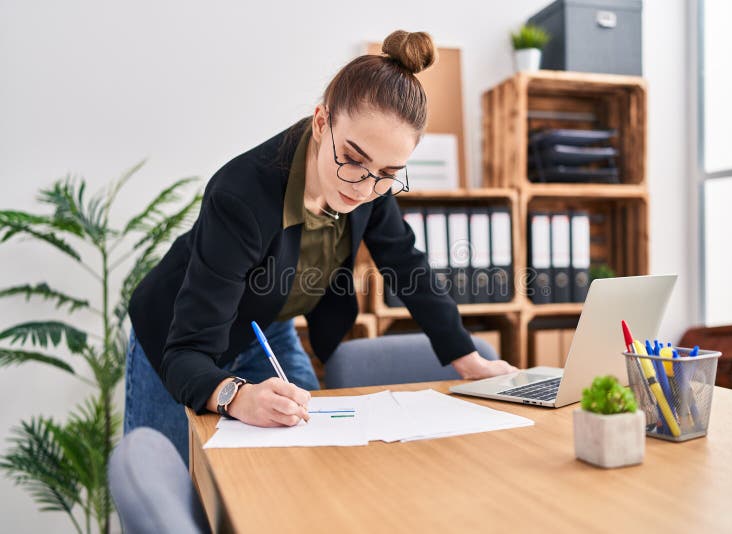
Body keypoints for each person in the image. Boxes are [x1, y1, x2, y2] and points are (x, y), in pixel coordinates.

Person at [125, 30, 517, 464]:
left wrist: (467, 358)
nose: (366, 186)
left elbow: (407, 266)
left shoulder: (371, 183)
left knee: (313, 455)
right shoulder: (239, 195)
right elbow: (187, 352)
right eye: (353, 159)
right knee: (174, 477)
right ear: (320, 122)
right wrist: (235, 395)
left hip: (266, 326)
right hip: (179, 334)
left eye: (388, 172)